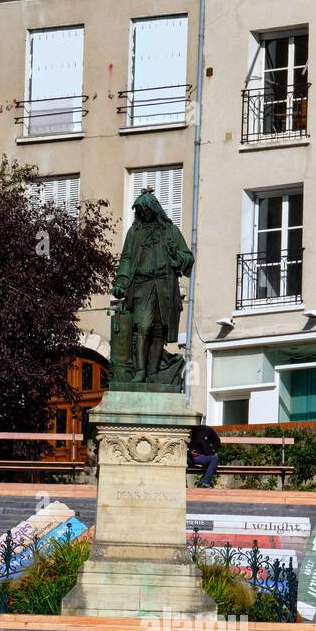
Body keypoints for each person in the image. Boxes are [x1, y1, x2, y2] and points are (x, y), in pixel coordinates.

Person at [112, 190, 194, 384]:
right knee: (143, 326)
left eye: (145, 210)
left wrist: (176, 257)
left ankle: (153, 371)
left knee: (160, 330)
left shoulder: (171, 231)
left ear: (154, 209)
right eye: (140, 211)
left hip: (165, 285)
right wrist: (121, 282)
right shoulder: (135, 232)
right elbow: (126, 258)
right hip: (142, 284)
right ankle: (140, 371)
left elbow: (188, 257)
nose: (143, 214)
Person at [188, 423, 220, 488]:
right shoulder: (187, 430)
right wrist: (190, 451)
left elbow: (217, 441)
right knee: (181, 461)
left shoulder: (207, 430)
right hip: (190, 457)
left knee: (214, 458)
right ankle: (182, 485)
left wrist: (213, 451)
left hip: (203, 456)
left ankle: (205, 482)